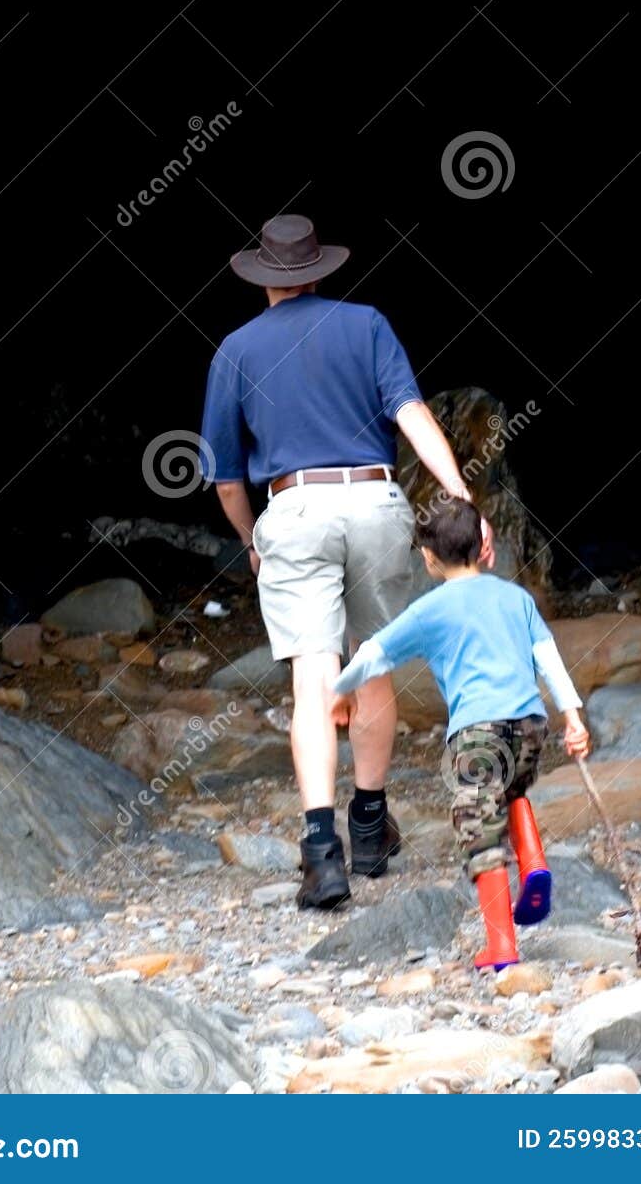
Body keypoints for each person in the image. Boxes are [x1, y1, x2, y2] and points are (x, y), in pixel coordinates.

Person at [200, 214, 488, 909]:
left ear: (264, 278)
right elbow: (413, 415)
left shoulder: (236, 349)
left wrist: (251, 541)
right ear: (317, 271)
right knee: (373, 664)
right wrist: (461, 498)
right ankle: (369, 826)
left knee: (313, 683)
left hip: (294, 508)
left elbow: (227, 481)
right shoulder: (366, 325)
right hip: (372, 501)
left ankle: (322, 855)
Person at [332, 496, 590, 970]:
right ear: (482, 547)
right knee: (511, 790)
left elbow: (372, 654)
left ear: (429, 558)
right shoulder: (516, 598)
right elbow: (549, 660)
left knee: (478, 828)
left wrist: (340, 691)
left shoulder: (430, 609)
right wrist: (572, 718)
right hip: (530, 724)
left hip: (477, 732)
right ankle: (533, 862)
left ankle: (501, 946)